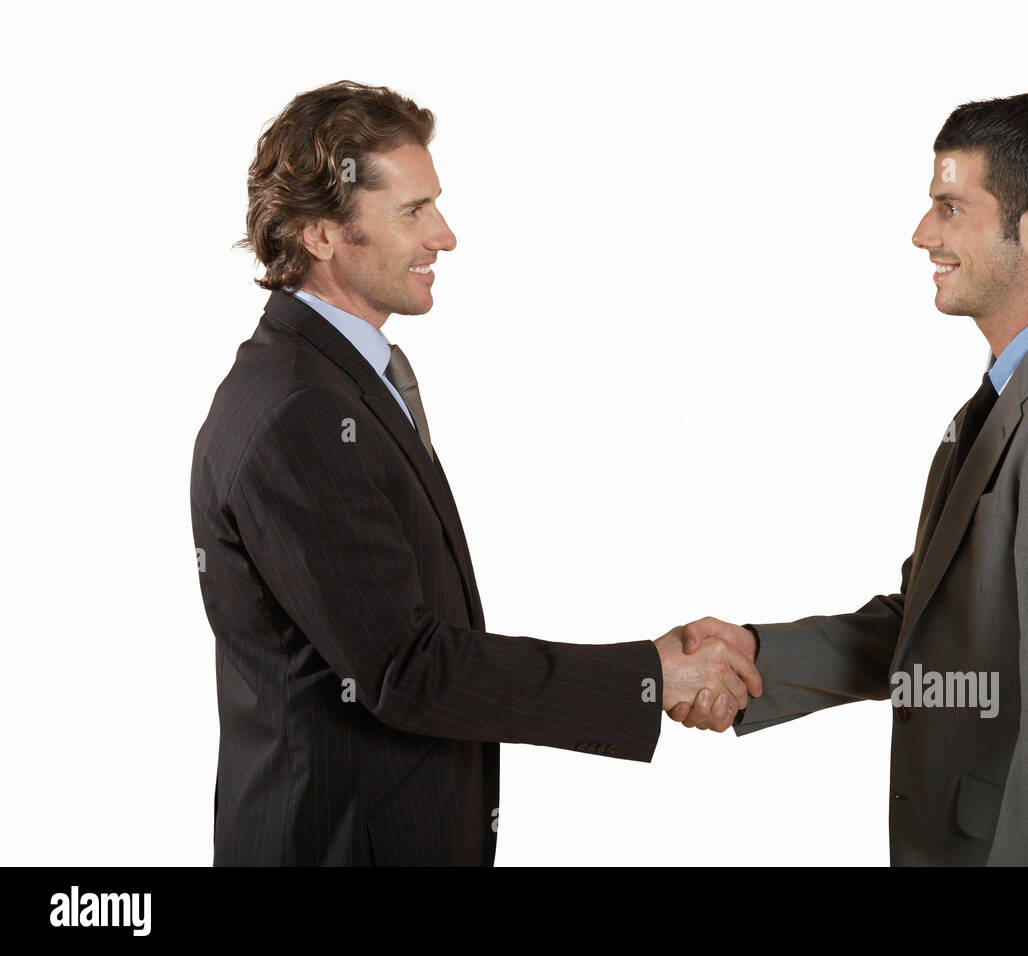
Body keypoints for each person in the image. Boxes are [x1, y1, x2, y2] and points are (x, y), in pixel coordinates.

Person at [189, 80, 760, 866]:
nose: (445, 236)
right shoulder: (302, 410)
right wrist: (647, 675)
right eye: (413, 211)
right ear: (322, 233)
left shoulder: (331, 379)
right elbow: (406, 669)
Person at [670, 90, 1028, 866]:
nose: (922, 234)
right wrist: (756, 656)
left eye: (951, 208)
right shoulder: (1013, 403)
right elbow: (933, 630)